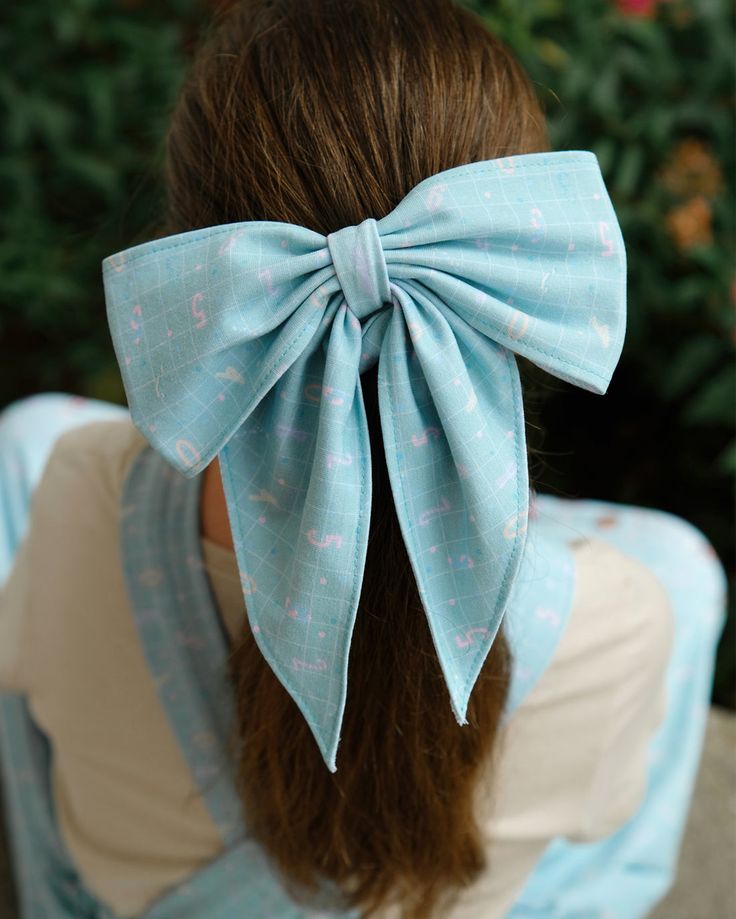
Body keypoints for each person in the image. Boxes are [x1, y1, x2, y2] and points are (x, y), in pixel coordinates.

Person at [0, 1, 727, 918]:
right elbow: (605, 818)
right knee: (681, 563)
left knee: (28, 433)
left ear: (198, 257)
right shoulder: (626, 627)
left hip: (131, 885)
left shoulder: (74, 495)